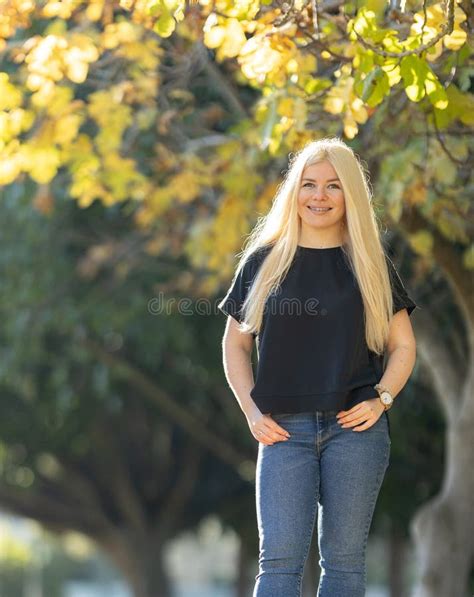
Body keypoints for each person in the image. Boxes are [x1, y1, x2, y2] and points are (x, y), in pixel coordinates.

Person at [217, 137, 419, 597]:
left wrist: (382, 399)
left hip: (357, 431)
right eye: (308, 185)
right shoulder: (263, 263)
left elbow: (403, 346)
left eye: (332, 186)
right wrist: (252, 412)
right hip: (282, 432)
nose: (319, 196)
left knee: (344, 565)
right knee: (278, 565)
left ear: (350, 194)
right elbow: (234, 345)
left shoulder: (370, 265)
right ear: (295, 192)